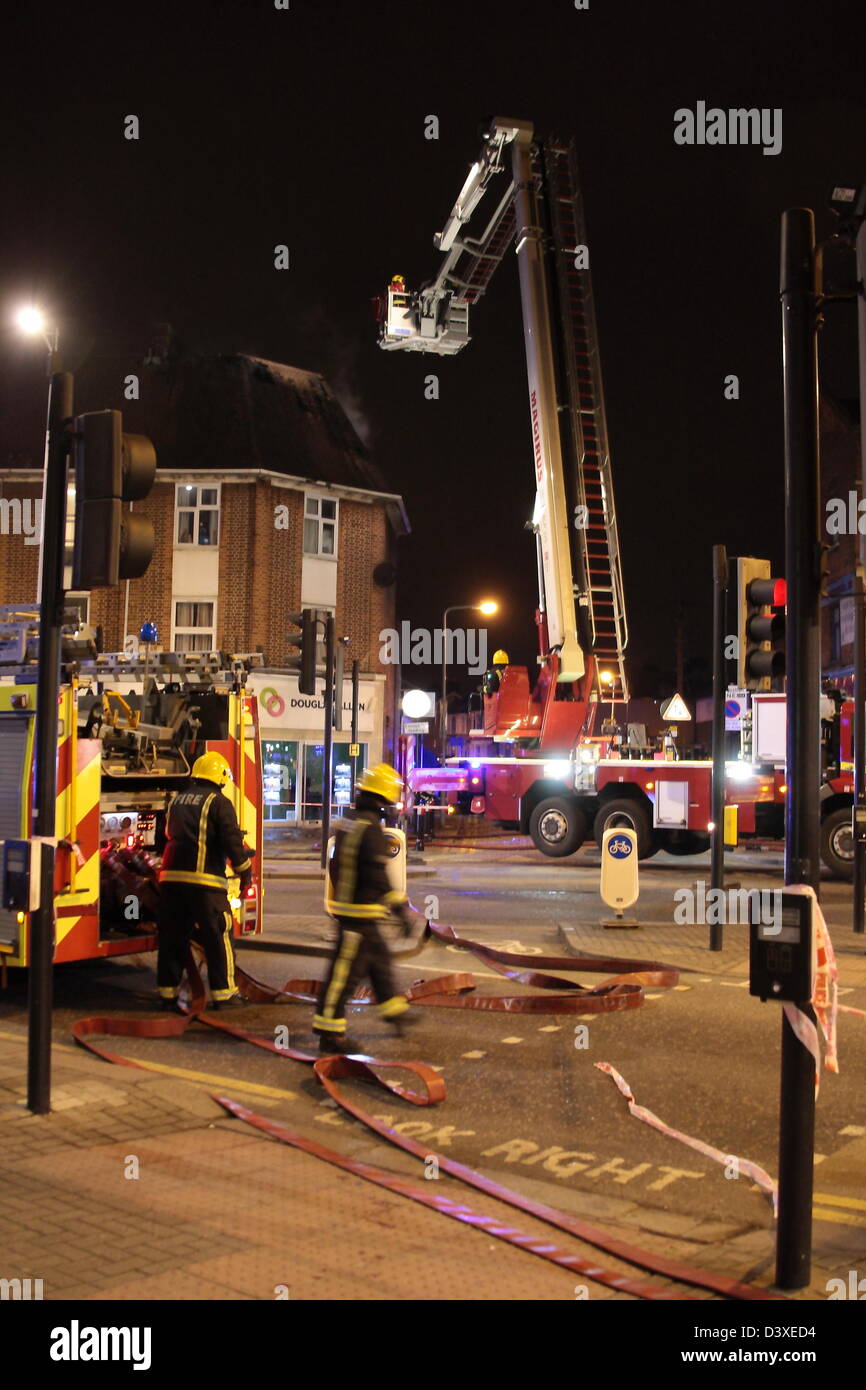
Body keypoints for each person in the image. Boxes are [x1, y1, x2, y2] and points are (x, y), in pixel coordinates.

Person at [314, 762, 418, 1054]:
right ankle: (329, 1033)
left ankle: (394, 1012)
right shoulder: (370, 828)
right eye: (392, 799)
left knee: (380, 965)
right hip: (357, 918)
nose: (393, 805)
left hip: (359, 915)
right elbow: (377, 875)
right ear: (382, 797)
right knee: (342, 978)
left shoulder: (351, 821)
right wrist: (401, 912)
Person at [157, 751, 253, 1010]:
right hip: (205, 883)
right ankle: (224, 995)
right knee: (218, 935)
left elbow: (169, 833)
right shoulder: (218, 802)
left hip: (171, 881)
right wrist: (245, 870)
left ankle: (167, 994)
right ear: (220, 777)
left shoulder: (177, 801)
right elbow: (231, 841)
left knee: (173, 938)